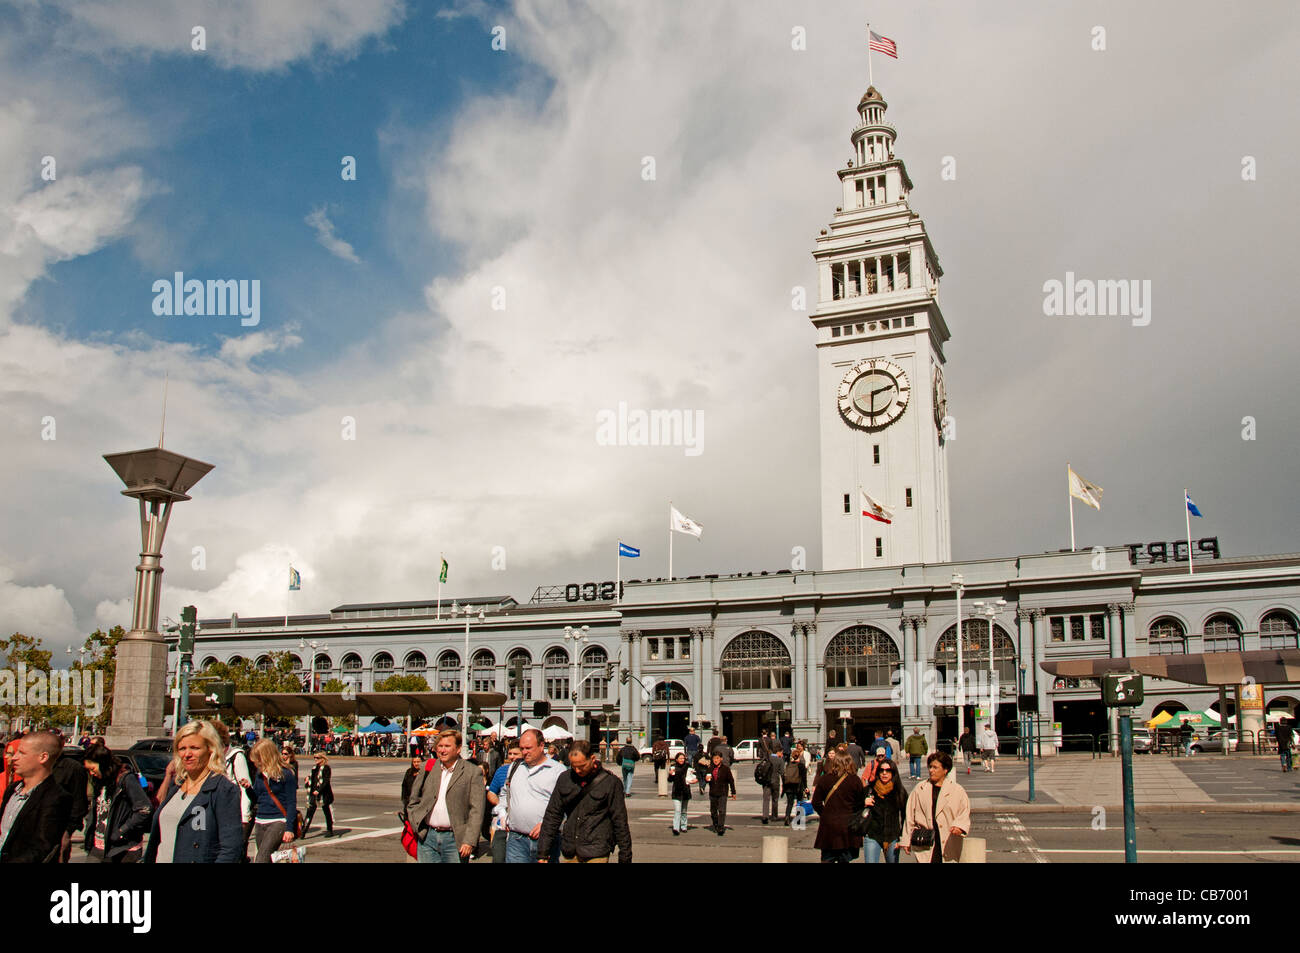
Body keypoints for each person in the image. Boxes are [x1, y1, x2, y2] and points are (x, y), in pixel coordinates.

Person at [143, 721, 243, 863]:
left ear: (210, 749)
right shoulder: (177, 785)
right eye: (182, 748)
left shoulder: (223, 789)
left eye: (194, 748)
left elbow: (231, 849)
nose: (187, 754)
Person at [538, 739, 632, 863]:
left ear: (592, 759)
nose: (577, 770)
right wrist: (543, 852)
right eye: (573, 766)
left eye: (581, 766)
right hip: (569, 851)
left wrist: (625, 857)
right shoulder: (565, 779)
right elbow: (552, 815)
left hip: (596, 851)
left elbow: (620, 822)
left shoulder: (610, 782)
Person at [404, 729, 484, 863]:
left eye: (447, 746)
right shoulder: (428, 767)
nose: (442, 750)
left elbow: (477, 810)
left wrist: (469, 840)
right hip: (427, 837)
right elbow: (413, 799)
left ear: (458, 749)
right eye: (440, 746)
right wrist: (416, 824)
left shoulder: (472, 772)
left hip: (455, 840)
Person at [0, 730, 71, 863]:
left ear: (43, 757)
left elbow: (42, 848)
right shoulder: (12, 790)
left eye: (22, 753)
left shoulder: (56, 797)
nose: (14, 757)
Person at [82, 741, 152, 863]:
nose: (91, 773)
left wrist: (122, 830)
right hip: (99, 846)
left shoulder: (126, 779)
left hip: (123, 849)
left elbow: (144, 809)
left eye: (93, 769)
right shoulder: (100, 782)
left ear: (102, 764)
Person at [504, 728, 563, 863]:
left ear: (541, 746)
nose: (524, 752)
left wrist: (546, 824)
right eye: (522, 748)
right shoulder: (515, 767)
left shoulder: (557, 771)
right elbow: (505, 793)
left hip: (546, 840)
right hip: (516, 839)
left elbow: (565, 806)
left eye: (528, 748)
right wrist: (503, 813)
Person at [902, 752, 971, 865]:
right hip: (926, 841)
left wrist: (959, 826)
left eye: (935, 767)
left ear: (945, 770)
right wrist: (906, 840)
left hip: (948, 840)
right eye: (930, 767)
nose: (931, 770)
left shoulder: (957, 790)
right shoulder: (920, 789)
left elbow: (964, 812)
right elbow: (909, 815)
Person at [248, 738, 297, 863]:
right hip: (260, 820)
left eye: (258, 759)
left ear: (266, 756)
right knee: (268, 858)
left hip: (278, 820)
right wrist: (248, 789)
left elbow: (291, 802)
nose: (256, 763)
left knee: (261, 859)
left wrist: (289, 828)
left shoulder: (286, 774)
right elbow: (256, 798)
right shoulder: (260, 775)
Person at [811, 750, 865, 863]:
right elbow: (860, 804)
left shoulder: (824, 779)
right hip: (847, 826)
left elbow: (815, 802)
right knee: (845, 858)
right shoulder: (855, 780)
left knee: (827, 858)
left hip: (828, 827)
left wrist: (825, 813)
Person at [213, 721, 254, 860]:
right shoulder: (215, 758)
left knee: (235, 851)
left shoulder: (236, 756)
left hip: (236, 813)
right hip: (219, 812)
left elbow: (244, 787)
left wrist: (244, 815)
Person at [50, 736, 89, 862]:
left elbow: (79, 801)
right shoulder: (40, 766)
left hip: (63, 824)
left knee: (60, 854)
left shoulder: (73, 768)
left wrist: (69, 829)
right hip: (43, 823)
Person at [486, 740, 524, 862]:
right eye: (510, 753)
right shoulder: (501, 771)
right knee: (498, 858)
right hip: (502, 823)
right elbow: (491, 792)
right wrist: (501, 806)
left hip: (520, 825)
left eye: (516, 754)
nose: (512, 757)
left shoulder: (526, 772)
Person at [862, 758, 906, 864]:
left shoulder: (899, 791)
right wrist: (863, 802)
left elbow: (906, 815)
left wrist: (902, 837)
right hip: (872, 835)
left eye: (888, 770)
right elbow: (854, 808)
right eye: (881, 770)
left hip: (892, 836)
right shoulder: (869, 790)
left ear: (893, 772)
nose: (884, 773)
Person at [303, 752, 334, 837]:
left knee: (326, 811)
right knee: (309, 812)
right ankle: (303, 831)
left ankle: (329, 829)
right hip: (314, 793)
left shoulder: (326, 768)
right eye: (314, 758)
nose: (315, 759)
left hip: (323, 794)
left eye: (317, 758)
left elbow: (326, 781)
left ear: (322, 758)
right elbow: (312, 780)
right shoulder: (314, 768)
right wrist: (307, 781)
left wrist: (319, 790)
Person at [706, 751, 736, 836]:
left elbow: (731, 781)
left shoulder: (725, 769)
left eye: (717, 758)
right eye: (714, 758)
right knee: (713, 812)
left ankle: (720, 827)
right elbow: (707, 779)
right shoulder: (710, 768)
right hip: (713, 792)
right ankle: (716, 824)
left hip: (722, 792)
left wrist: (733, 792)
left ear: (721, 759)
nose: (716, 760)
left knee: (722, 811)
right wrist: (706, 779)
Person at [781, 744, 807, 825]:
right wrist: (806, 787)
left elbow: (784, 775)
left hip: (788, 786)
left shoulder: (789, 764)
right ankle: (799, 820)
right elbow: (804, 778)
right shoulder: (801, 765)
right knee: (800, 802)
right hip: (798, 786)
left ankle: (787, 817)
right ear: (799, 756)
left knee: (790, 803)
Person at [668, 752, 692, 834]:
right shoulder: (673, 767)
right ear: (676, 759)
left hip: (685, 790)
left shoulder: (688, 766)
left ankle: (684, 826)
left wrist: (694, 780)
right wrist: (670, 775)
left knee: (684, 810)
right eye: (680, 758)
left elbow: (693, 776)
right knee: (677, 810)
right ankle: (676, 828)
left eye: (683, 758)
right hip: (676, 791)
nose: (682, 760)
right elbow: (670, 780)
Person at [759, 747, 783, 824]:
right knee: (775, 799)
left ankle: (765, 816)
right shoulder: (780, 760)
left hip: (766, 781)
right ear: (778, 752)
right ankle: (774, 816)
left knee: (766, 799)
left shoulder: (766, 758)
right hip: (775, 781)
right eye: (781, 753)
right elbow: (782, 772)